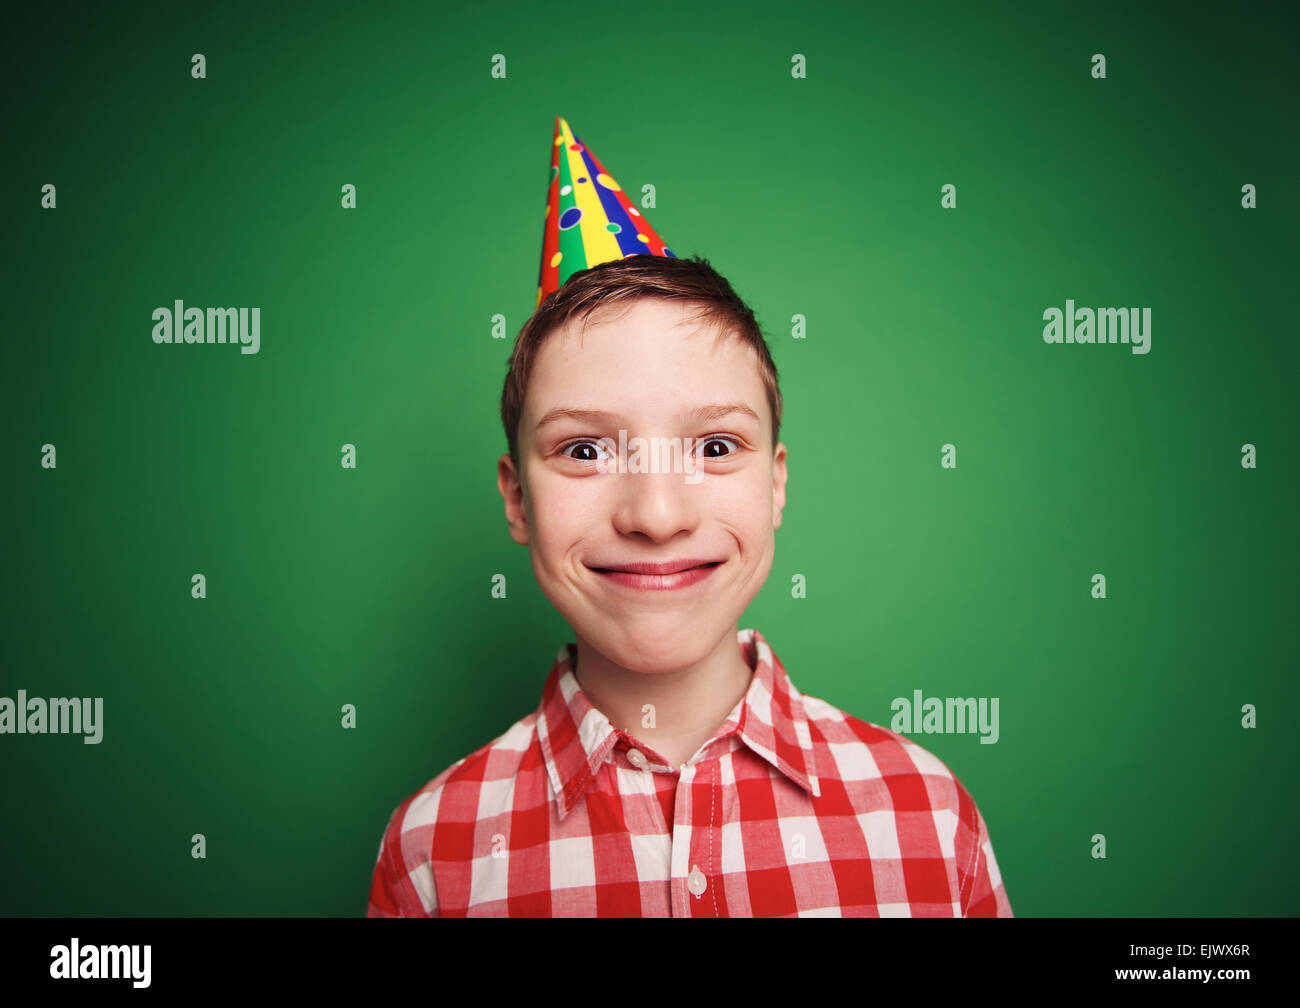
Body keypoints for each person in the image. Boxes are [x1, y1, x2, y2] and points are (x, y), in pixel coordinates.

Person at [366, 117, 1012, 917]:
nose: (657, 514)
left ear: (776, 485)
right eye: (584, 451)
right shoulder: (434, 853)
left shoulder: (929, 817)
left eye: (713, 445)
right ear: (515, 498)